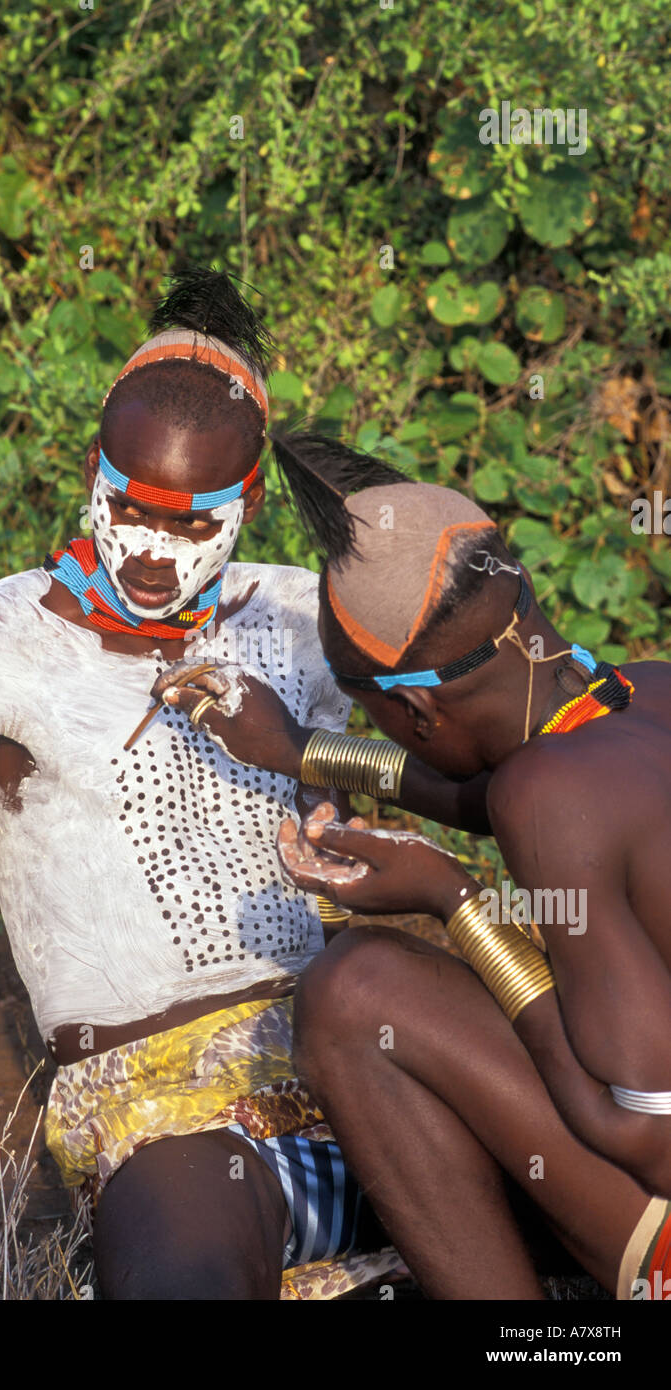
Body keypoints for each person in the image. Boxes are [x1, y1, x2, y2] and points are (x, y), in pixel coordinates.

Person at [0, 275, 418, 1301]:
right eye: (129, 509)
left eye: (191, 525)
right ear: (93, 471)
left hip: (354, 1057)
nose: (149, 550)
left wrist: (311, 758)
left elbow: (469, 773)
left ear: (250, 503)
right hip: (160, 1117)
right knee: (185, 1267)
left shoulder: (304, 622)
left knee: (563, 1198)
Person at [153, 430, 671, 1299]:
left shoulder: (549, 798)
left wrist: (455, 900)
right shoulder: (642, 692)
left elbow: (645, 1133)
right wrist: (306, 750)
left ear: (418, 710)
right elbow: (493, 791)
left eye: (378, 720)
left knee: (357, 993)